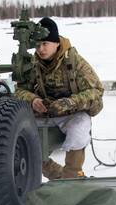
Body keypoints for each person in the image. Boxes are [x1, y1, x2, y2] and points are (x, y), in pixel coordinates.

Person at [12, 17, 103, 179]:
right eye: (38, 45)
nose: (41, 49)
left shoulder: (75, 62)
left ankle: (72, 175)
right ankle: (58, 176)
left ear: (56, 43)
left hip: (71, 114)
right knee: (21, 136)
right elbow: (19, 91)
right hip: (45, 114)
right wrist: (33, 100)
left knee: (80, 128)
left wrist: (70, 103)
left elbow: (96, 91)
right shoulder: (34, 64)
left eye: (45, 44)